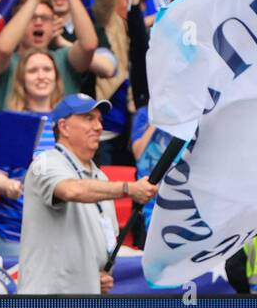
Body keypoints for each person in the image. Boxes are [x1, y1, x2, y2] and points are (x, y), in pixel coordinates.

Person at [18, 94, 157, 295]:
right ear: (64, 127)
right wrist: (129, 188)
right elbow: (71, 190)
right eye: (88, 118)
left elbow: (104, 236)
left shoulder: (101, 177)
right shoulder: (45, 162)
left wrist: (94, 276)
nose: (99, 127)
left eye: (99, 120)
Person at [0, 48, 62, 257]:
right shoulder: (10, 122)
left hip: (62, 234)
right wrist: (8, 186)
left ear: (56, 76)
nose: (41, 76)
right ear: (21, 79)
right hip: (14, 235)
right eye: (33, 71)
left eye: (47, 69)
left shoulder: (69, 121)